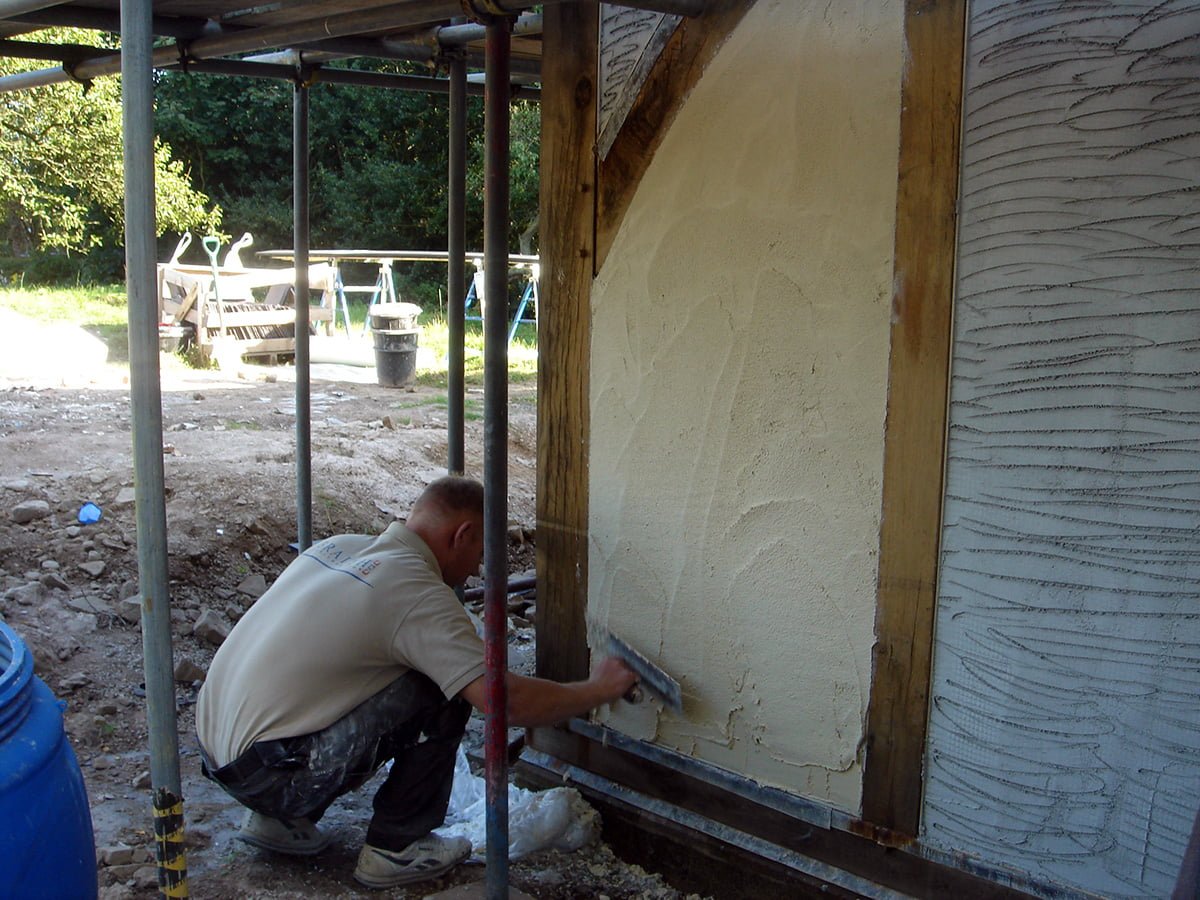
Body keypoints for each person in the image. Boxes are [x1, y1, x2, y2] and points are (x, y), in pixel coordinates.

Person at [195, 475, 637, 889]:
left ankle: (278, 821)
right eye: (479, 552)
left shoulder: (339, 547)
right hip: (277, 778)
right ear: (461, 536)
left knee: (411, 671)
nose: (476, 566)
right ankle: (397, 847)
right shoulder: (415, 590)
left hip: (223, 760)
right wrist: (598, 689)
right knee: (449, 683)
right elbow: (504, 701)